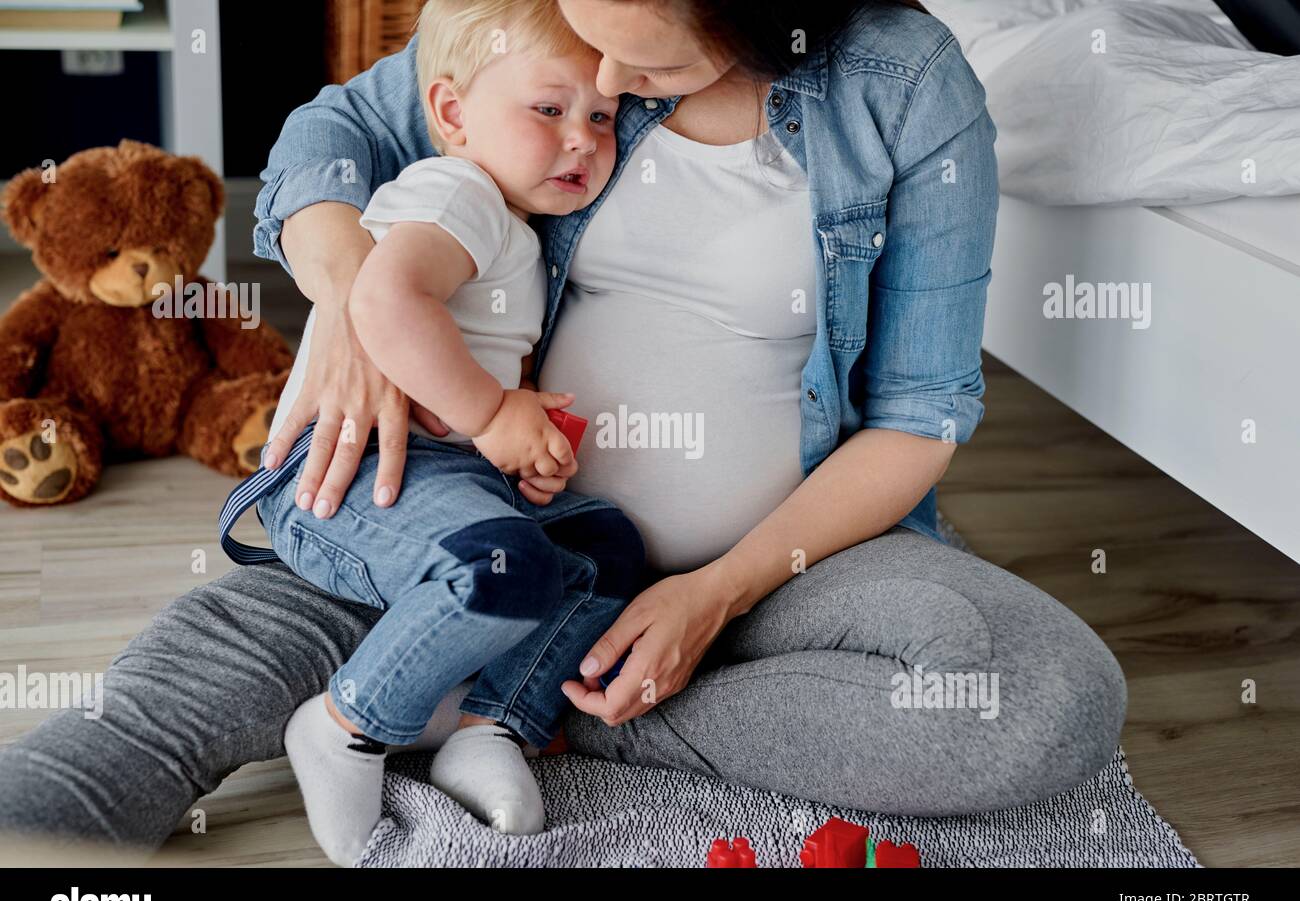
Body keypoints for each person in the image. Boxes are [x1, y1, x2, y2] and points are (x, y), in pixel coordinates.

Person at [0, 0, 1126, 854]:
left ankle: (534, 697)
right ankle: (493, 674)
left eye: (645, 68)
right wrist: (354, 296)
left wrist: (713, 593)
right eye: (586, 51)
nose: (605, 82)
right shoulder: (552, 24)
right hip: (456, 516)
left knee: (1036, 702)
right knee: (144, 728)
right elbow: (331, 133)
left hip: (770, 575)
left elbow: (920, 417)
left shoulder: (902, 86)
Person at [218, 0, 642, 863]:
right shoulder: (457, 192)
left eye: (602, 117)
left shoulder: (513, 225)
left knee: (606, 548)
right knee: (508, 566)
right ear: (451, 113)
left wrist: (524, 438)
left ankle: (491, 725)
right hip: (350, 473)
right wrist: (492, 415)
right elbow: (382, 300)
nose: (582, 139)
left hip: (443, 476)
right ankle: (345, 725)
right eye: (550, 109)